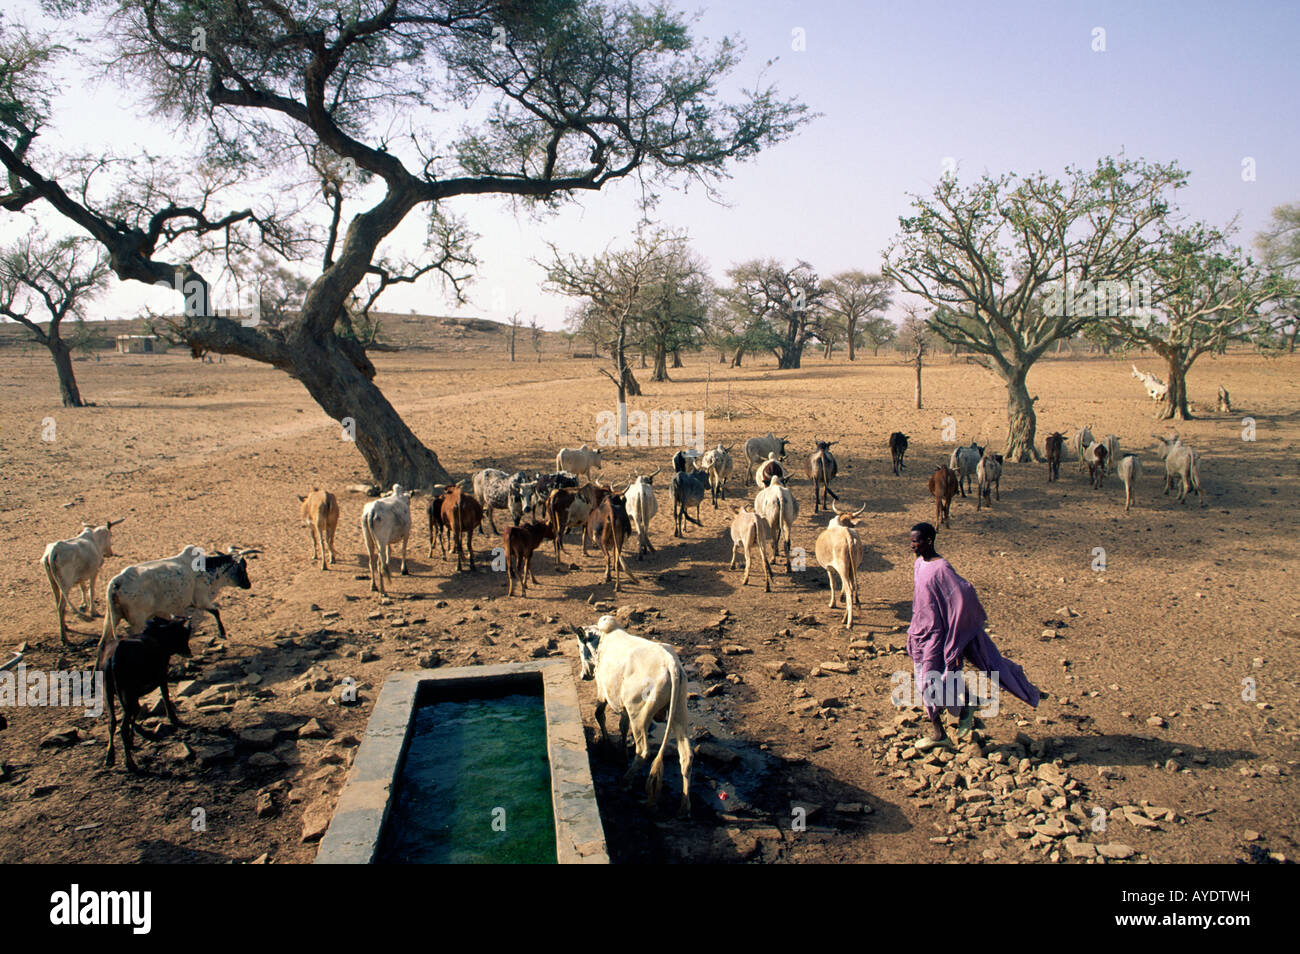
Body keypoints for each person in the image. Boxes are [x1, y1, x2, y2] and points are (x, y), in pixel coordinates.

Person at [906, 522, 1041, 749]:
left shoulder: (942, 568)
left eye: (916, 541)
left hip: (936, 636)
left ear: (929, 541)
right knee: (934, 680)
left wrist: (955, 630)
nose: (912, 545)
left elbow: (963, 594)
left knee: (928, 683)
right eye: (911, 541)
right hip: (920, 632)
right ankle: (967, 705)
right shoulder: (919, 563)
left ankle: (940, 733)